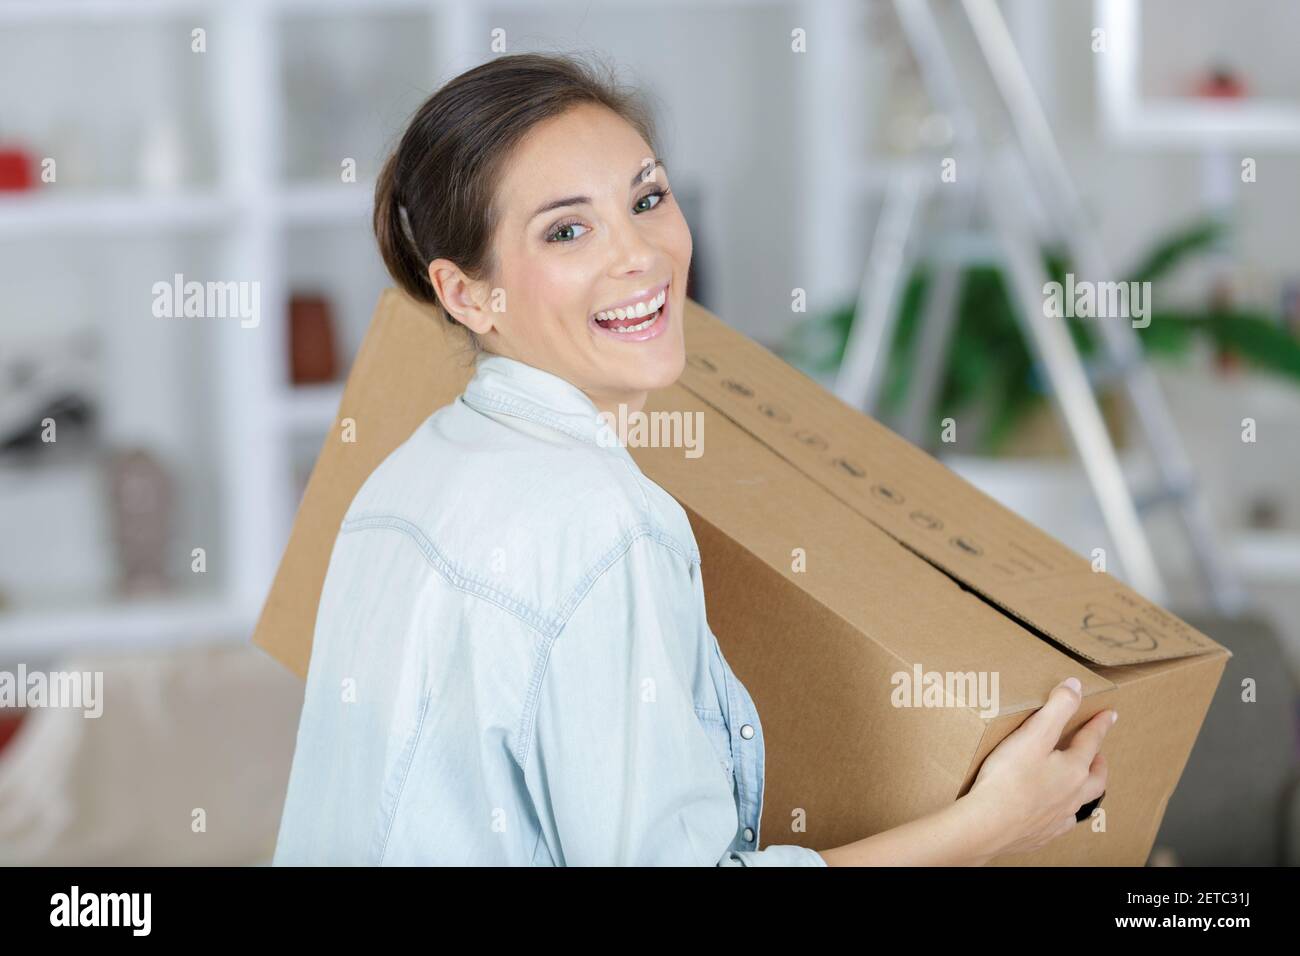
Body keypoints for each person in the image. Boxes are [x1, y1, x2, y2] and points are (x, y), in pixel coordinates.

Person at [272, 52, 1113, 866]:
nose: (638, 254)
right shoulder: (604, 525)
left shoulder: (406, 472)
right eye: (567, 230)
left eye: (647, 198)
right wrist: (991, 826)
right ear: (466, 294)